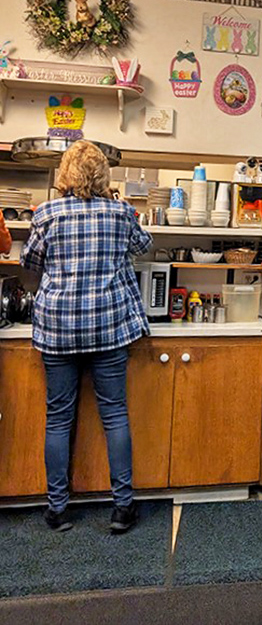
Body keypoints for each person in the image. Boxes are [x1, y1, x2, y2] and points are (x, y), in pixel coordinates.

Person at [21, 140, 152, 533]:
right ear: (103, 176)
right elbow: (144, 247)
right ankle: (122, 508)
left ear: (65, 175)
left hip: (58, 328)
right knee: (115, 415)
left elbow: (30, 260)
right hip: (109, 327)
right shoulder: (120, 212)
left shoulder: (47, 213)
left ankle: (58, 509)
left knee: (58, 418)